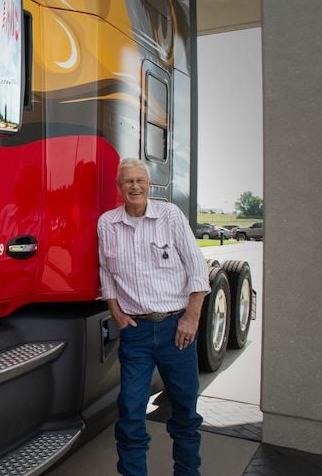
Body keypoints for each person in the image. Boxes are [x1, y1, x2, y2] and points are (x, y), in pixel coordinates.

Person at [97, 158, 211, 476]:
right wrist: (115, 311)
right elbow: (106, 273)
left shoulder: (169, 215)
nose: (134, 186)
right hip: (137, 333)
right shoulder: (108, 222)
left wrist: (191, 318)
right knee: (131, 413)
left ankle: (187, 472)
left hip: (177, 330)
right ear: (119, 187)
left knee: (185, 412)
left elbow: (198, 270)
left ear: (149, 185)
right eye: (127, 181)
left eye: (140, 180)